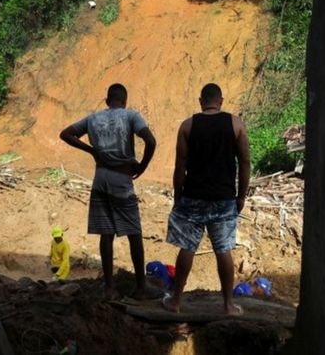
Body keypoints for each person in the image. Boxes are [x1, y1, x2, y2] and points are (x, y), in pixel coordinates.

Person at [59, 83, 159, 300]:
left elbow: (66, 134)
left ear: (107, 101)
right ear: (124, 101)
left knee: (107, 233)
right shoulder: (131, 116)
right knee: (134, 233)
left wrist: (92, 151)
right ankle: (141, 287)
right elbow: (150, 141)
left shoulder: (93, 119)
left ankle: (109, 288)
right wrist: (142, 166)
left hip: (100, 178)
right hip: (122, 179)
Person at [162, 83, 250, 315]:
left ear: (201, 101)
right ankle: (229, 305)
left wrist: (178, 195)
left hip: (193, 196)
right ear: (220, 101)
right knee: (223, 250)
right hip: (224, 198)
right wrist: (241, 195)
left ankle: (176, 301)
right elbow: (245, 163)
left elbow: (180, 165)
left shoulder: (188, 126)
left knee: (188, 247)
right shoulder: (236, 124)